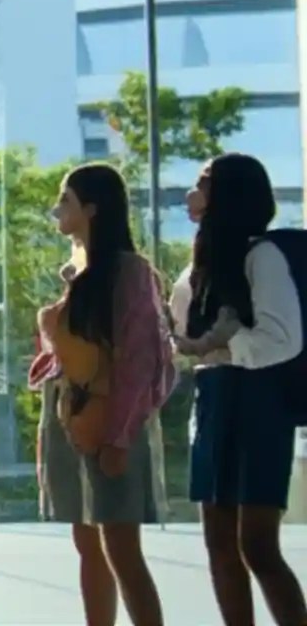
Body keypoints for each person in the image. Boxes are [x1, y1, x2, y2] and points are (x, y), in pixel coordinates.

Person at [32, 162, 172, 626]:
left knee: (121, 548)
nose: (57, 211)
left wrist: (119, 436)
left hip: (109, 418)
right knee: (86, 541)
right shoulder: (79, 272)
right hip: (72, 412)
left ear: (92, 209)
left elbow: (142, 360)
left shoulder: (130, 273)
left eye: (66, 201)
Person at [173, 153, 307, 626]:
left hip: (258, 405)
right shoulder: (200, 267)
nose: (194, 193)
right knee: (218, 541)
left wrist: (222, 351)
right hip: (213, 403)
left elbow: (283, 338)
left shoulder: (261, 256)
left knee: (257, 544)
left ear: (229, 194)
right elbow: (182, 328)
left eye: (204, 183)